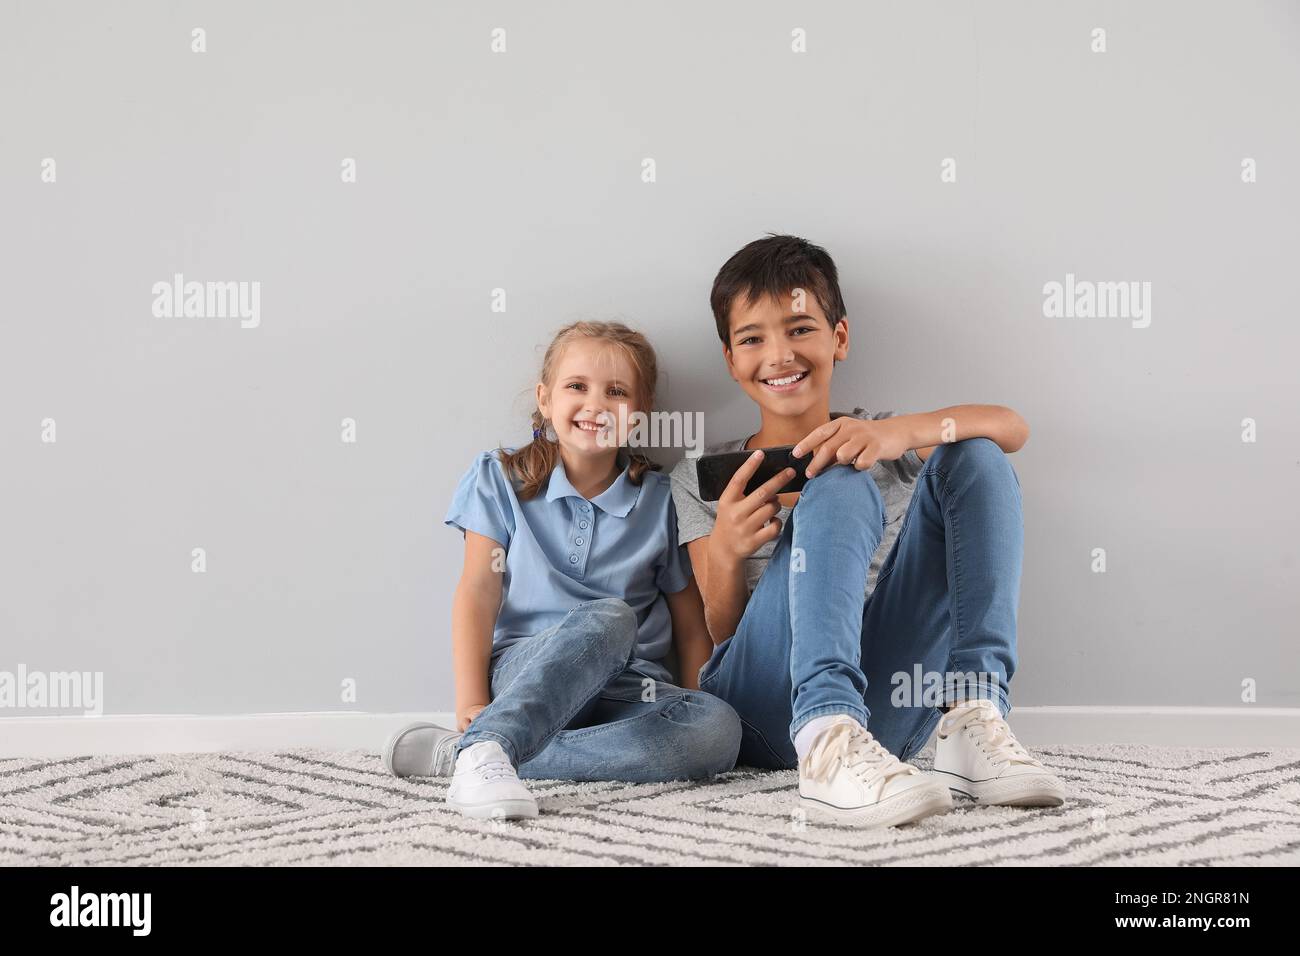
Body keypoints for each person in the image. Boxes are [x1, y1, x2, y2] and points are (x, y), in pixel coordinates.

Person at [669, 234, 1067, 828]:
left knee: (977, 455)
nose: (779, 354)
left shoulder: (888, 443)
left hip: (880, 714)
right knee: (840, 481)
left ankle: (973, 710)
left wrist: (895, 434)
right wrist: (725, 553)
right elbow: (720, 629)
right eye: (753, 338)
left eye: (800, 328)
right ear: (732, 359)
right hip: (763, 709)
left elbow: (1011, 427)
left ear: (839, 338)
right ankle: (824, 732)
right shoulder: (701, 476)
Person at [384, 321, 741, 820]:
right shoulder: (499, 478)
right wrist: (471, 699)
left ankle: (479, 752)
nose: (595, 405)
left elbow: (688, 618)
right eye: (577, 387)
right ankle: (494, 735)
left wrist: (689, 701)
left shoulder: (659, 500)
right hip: (528, 671)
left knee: (719, 731)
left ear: (638, 418)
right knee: (612, 619)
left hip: (628, 684)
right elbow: (477, 592)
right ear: (545, 400)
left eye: (616, 392)